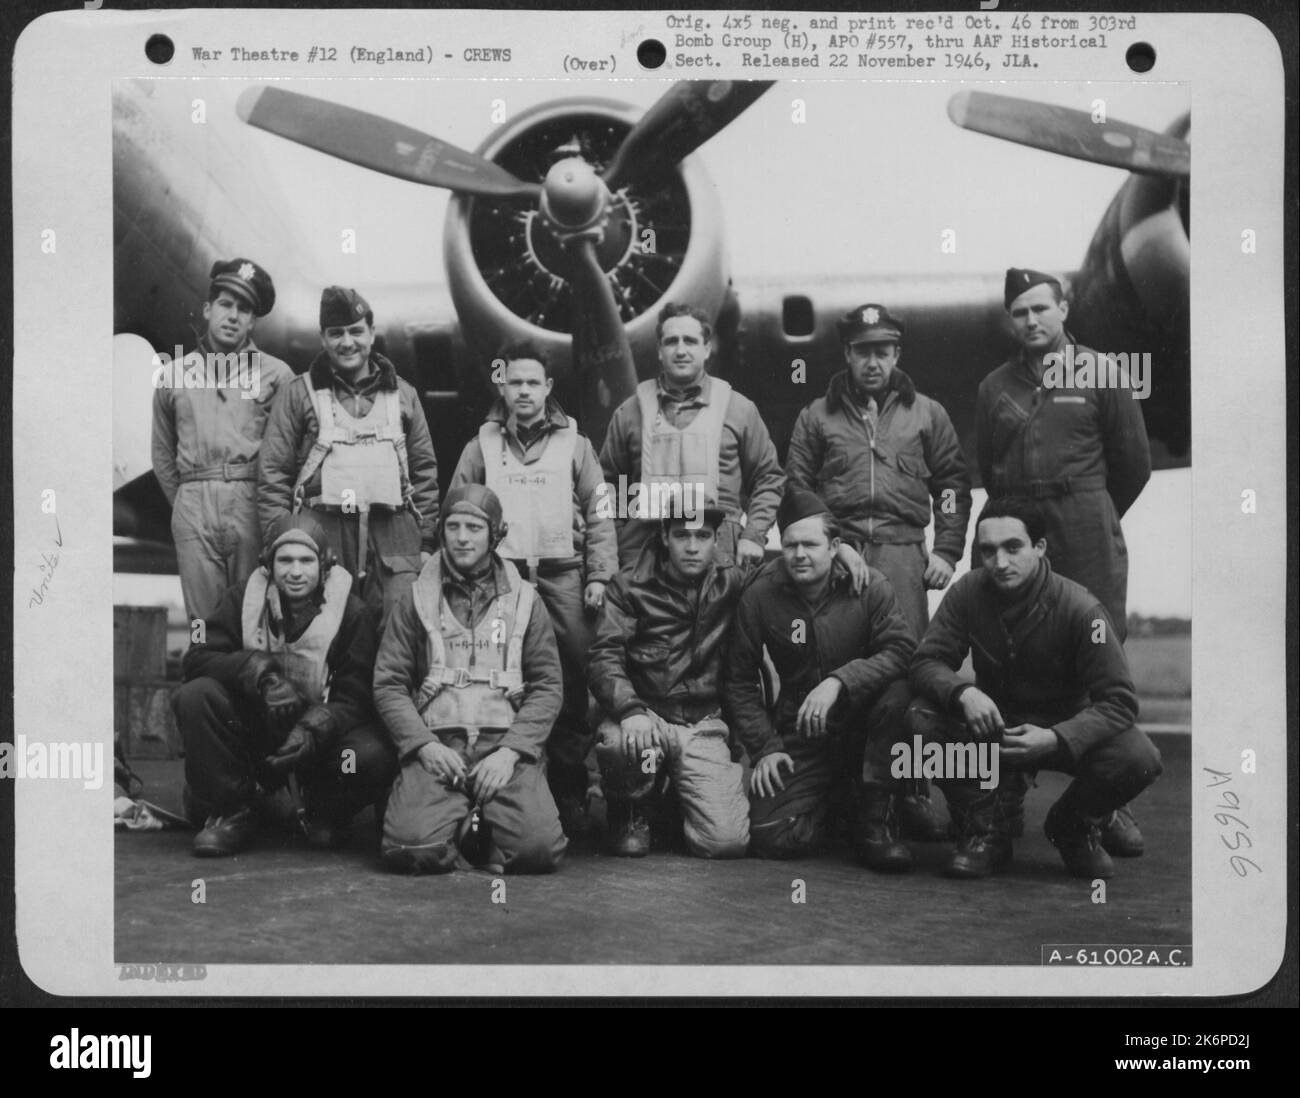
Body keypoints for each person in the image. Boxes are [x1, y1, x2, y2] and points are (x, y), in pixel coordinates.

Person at [975, 268, 1153, 850]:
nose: (1031, 321)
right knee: (1009, 649)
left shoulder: (1103, 372)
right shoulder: (994, 386)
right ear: (1010, 319)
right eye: (1020, 312)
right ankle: (1005, 787)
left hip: (1085, 535)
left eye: (1040, 309)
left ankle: (1107, 805)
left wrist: (1093, 513)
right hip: (1022, 538)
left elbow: (1134, 465)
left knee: (1102, 655)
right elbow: (989, 470)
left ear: (1064, 308)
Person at [786, 302, 971, 840]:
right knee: (837, 664)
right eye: (863, 351)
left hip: (903, 553)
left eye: (883, 351)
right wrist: (835, 544)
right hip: (837, 559)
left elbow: (953, 486)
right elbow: (797, 490)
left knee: (903, 670)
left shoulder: (928, 414)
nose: (873, 361)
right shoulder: (815, 416)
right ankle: (843, 791)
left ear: (897, 353)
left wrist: (948, 550)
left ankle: (906, 793)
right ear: (846, 353)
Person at [906, 497, 1162, 879]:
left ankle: (1073, 825)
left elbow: (1119, 702)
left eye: (1014, 547)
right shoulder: (967, 593)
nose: (1001, 562)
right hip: (996, 725)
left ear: (1040, 548)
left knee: (1139, 758)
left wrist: (1057, 738)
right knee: (919, 719)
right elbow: (926, 661)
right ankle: (985, 825)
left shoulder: (1081, 609)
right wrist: (964, 693)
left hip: (1064, 727)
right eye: (989, 551)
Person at [450, 341, 616, 835]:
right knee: (501, 672)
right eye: (514, 382)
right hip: (502, 578)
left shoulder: (576, 444)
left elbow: (600, 509)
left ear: (547, 388)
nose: (523, 391)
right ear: (502, 386)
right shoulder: (480, 445)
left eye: (532, 383)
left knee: (569, 678)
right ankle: (509, 780)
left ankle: (568, 784)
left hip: (564, 576)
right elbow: (456, 509)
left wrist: (600, 575)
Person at [172, 514, 397, 857]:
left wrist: (314, 728)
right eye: (285, 560)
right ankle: (233, 810)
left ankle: (325, 811)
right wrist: (257, 670)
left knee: (368, 755)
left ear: (325, 566)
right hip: (256, 734)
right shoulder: (240, 599)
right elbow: (197, 656)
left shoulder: (354, 612)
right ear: (268, 564)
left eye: (306, 561)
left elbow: (358, 696)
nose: (295, 572)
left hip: (317, 746)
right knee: (195, 695)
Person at [374, 485, 567, 874]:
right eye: (453, 526)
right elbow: (389, 683)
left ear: (496, 534)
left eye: (475, 527)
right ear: (441, 530)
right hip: (439, 748)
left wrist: (512, 751)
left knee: (539, 850)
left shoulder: (526, 600)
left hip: (503, 750)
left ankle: (488, 831)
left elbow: (548, 685)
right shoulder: (414, 599)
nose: (462, 537)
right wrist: (423, 746)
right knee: (411, 847)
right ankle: (462, 830)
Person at [724, 489, 916, 869]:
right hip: (803, 727)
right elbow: (738, 680)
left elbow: (901, 650)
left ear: (835, 547)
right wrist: (766, 748)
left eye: (810, 544)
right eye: (790, 545)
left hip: (865, 722)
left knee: (899, 696)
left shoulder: (870, 586)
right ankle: (841, 802)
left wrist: (840, 681)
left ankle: (879, 817)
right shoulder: (761, 594)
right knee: (772, 834)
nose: (798, 555)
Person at [258, 286, 440, 623]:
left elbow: (424, 473)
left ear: (371, 333)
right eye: (336, 333)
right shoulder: (297, 394)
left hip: (395, 543)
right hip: (323, 536)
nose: (347, 342)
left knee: (397, 639)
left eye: (356, 331)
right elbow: (273, 476)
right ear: (323, 339)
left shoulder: (405, 396)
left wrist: (427, 543)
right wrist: (281, 546)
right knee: (328, 635)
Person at [151, 258, 294, 623]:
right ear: (207, 309)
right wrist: (187, 502)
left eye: (244, 308)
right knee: (202, 623)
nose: (233, 316)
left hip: (251, 504)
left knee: (253, 617)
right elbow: (163, 454)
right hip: (193, 504)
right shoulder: (173, 375)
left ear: (253, 320)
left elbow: (291, 453)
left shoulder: (277, 375)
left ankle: (252, 679)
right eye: (225, 304)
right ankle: (202, 673)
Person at [599, 302, 785, 569]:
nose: (681, 350)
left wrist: (753, 535)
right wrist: (620, 540)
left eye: (690, 341)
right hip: (645, 556)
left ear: (707, 349)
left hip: (720, 554)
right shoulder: (629, 413)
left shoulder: (739, 409)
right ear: (660, 351)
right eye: (671, 341)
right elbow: (608, 485)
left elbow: (769, 476)